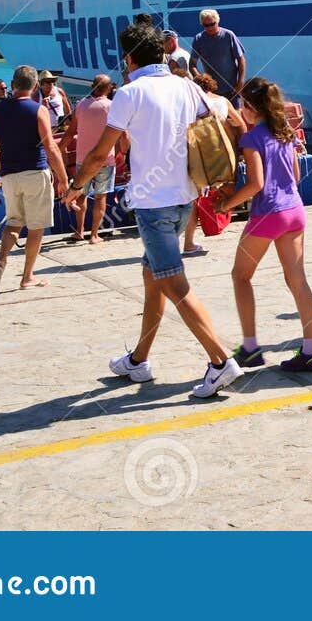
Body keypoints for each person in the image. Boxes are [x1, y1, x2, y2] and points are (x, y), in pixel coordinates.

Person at [65, 22, 243, 399]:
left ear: (128, 58)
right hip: (184, 197)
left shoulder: (129, 94)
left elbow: (101, 153)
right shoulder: (187, 86)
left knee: (174, 283)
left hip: (152, 203)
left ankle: (220, 360)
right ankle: (138, 360)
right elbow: (208, 127)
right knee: (153, 280)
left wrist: (76, 187)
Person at [222, 77, 312, 372]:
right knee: (298, 281)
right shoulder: (287, 134)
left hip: (268, 213)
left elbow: (255, 183)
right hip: (295, 211)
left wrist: (225, 205)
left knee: (241, 276)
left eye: (242, 105)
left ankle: (251, 347)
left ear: (251, 108)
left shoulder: (251, 139)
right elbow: (295, 174)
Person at [0, 65, 69, 290]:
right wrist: (63, 178)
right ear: (35, 86)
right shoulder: (38, 110)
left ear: (12, 85)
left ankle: (1, 260)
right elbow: (51, 147)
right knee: (36, 227)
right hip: (35, 172)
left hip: (9, 175)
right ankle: (27, 276)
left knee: (13, 222)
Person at [179, 71, 241, 257]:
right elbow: (240, 124)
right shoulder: (223, 101)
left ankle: (188, 242)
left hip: (196, 156)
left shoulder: (191, 103)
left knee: (193, 199)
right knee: (220, 190)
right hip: (219, 155)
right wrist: (236, 147)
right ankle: (217, 221)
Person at [71, 75, 119, 246]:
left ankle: (79, 231)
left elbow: (71, 131)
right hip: (105, 159)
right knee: (100, 198)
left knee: (81, 195)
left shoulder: (80, 105)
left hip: (82, 159)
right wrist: (124, 151)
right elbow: (122, 133)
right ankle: (94, 235)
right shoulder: (111, 106)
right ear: (108, 89)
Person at [191, 8, 247, 106]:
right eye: (206, 25)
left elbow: (241, 59)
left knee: (234, 118)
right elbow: (192, 64)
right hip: (211, 91)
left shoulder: (228, 35)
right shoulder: (198, 39)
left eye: (212, 24)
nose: (210, 28)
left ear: (218, 21)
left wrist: (240, 82)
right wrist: (202, 80)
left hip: (232, 89)